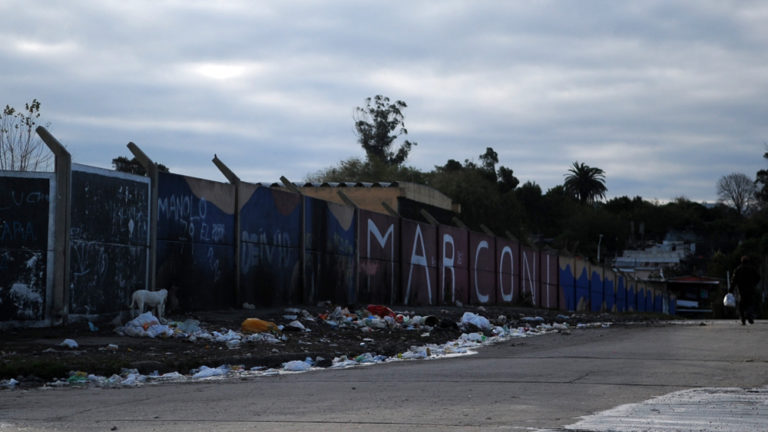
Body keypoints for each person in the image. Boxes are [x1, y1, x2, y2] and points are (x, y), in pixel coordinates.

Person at [731, 256, 761, 325]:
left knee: (741, 305)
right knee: (750, 303)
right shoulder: (752, 269)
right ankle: (749, 315)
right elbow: (758, 277)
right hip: (751, 289)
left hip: (741, 290)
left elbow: (734, 280)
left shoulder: (738, 269)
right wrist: (754, 284)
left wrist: (731, 290)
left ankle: (743, 319)